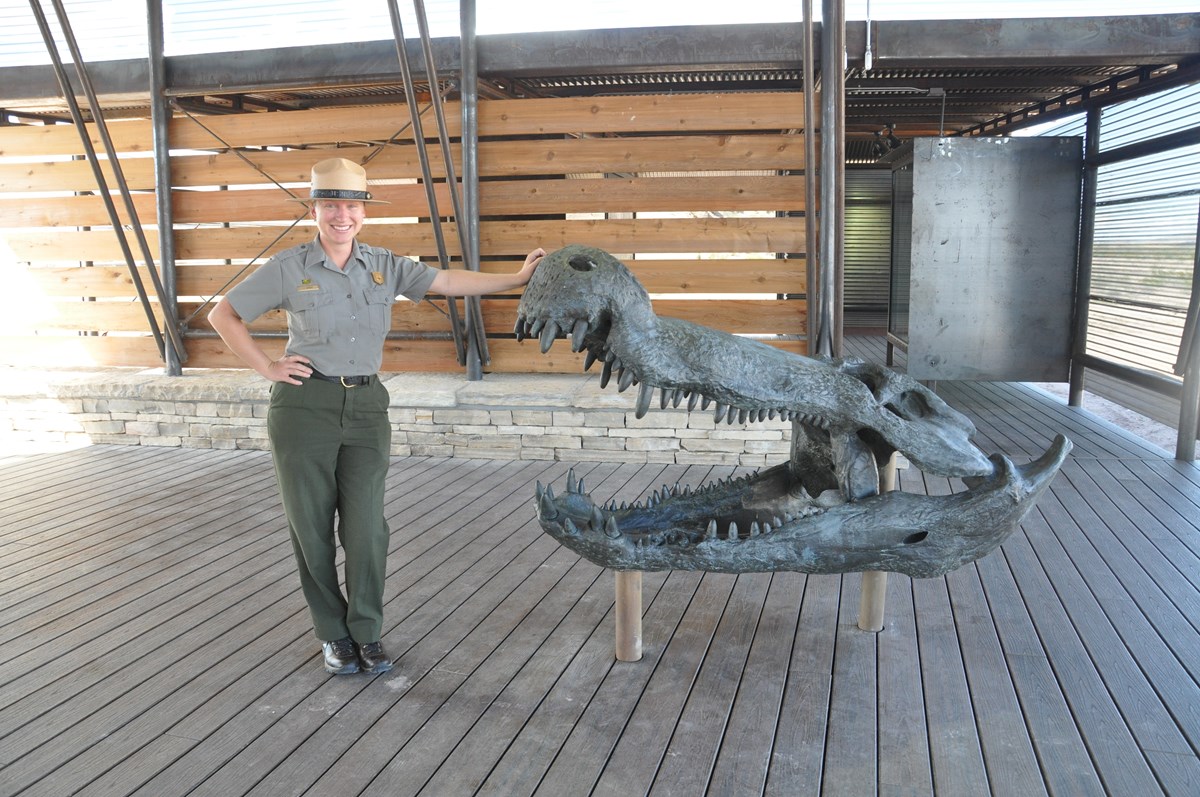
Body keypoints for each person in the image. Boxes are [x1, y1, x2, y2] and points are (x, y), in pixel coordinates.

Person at [209, 157, 545, 675]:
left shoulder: (385, 265)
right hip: (304, 408)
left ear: (363, 211)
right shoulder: (290, 268)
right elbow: (222, 314)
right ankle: (333, 634)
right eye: (330, 205)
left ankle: (366, 630)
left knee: (368, 527)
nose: (341, 215)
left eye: (351, 205)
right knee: (311, 527)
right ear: (314, 210)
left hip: (367, 408)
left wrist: (517, 277)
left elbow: (448, 281)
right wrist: (266, 366)